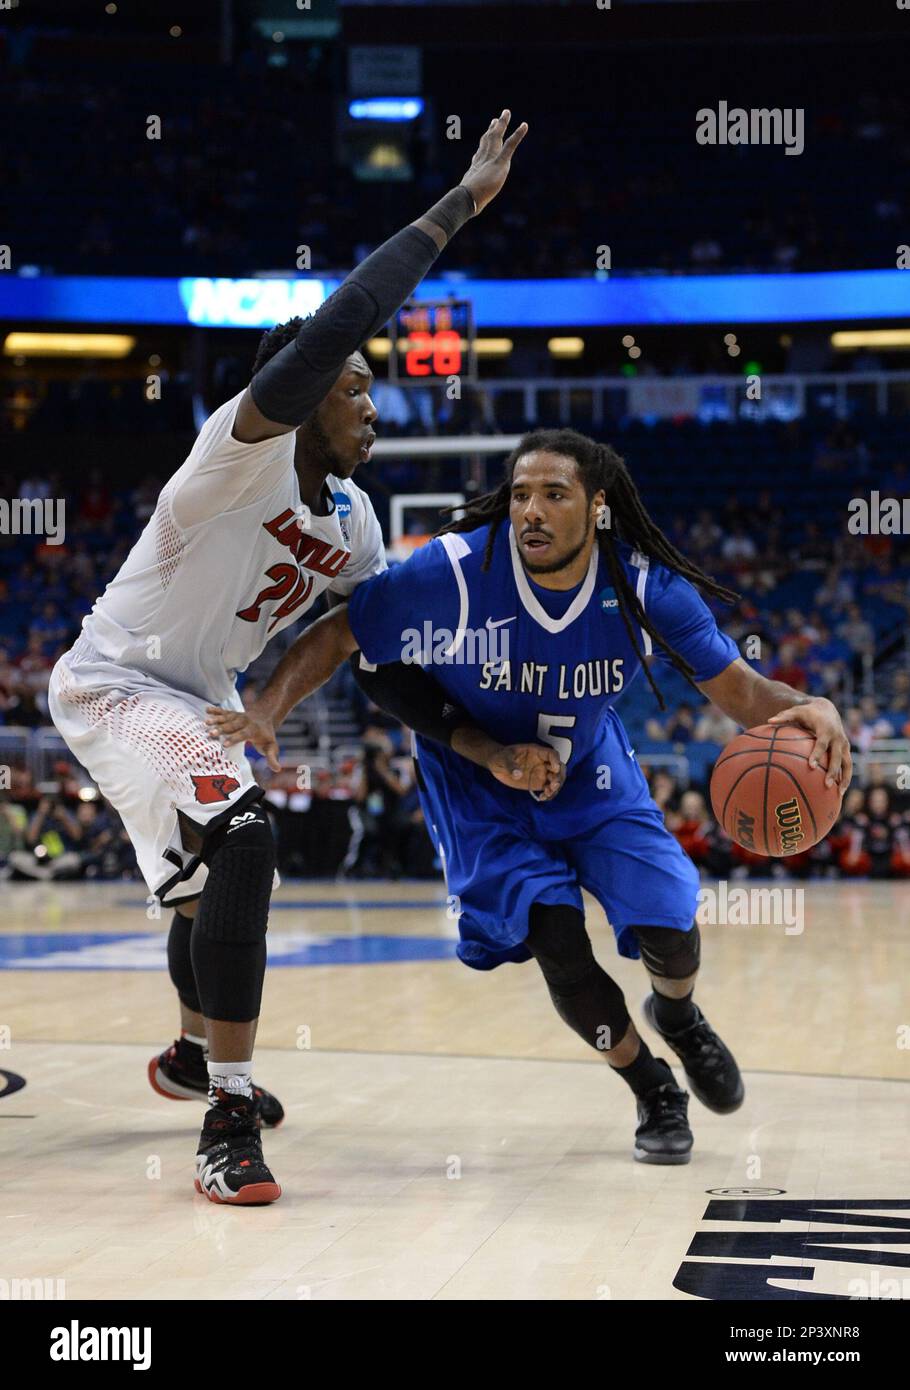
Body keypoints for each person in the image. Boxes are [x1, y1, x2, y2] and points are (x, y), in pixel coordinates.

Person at [49, 110, 533, 1204]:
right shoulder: (239, 450)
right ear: (304, 393)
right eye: (355, 385)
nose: (373, 399)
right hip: (113, 682)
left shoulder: (356, 522)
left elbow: (355, 643)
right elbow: (349, 311)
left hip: (202, 699)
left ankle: (187, 1053)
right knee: (249, 834)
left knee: (201, 893)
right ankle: (228, 1110)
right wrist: (457, 206)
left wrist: (460, 736)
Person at [208, 428, 852, 1164]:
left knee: (671, 927)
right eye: (520, 494)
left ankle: (677, 1014)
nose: (531, 511)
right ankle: (652, 1088)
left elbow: (742, 693)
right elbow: (343, 635)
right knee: (555, 937)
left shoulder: (644, 587)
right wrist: (267, 709)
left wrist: (812, 706)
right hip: (476, 781)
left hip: (590, 769)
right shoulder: (454, 570)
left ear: (598, 507)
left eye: (554, 494)